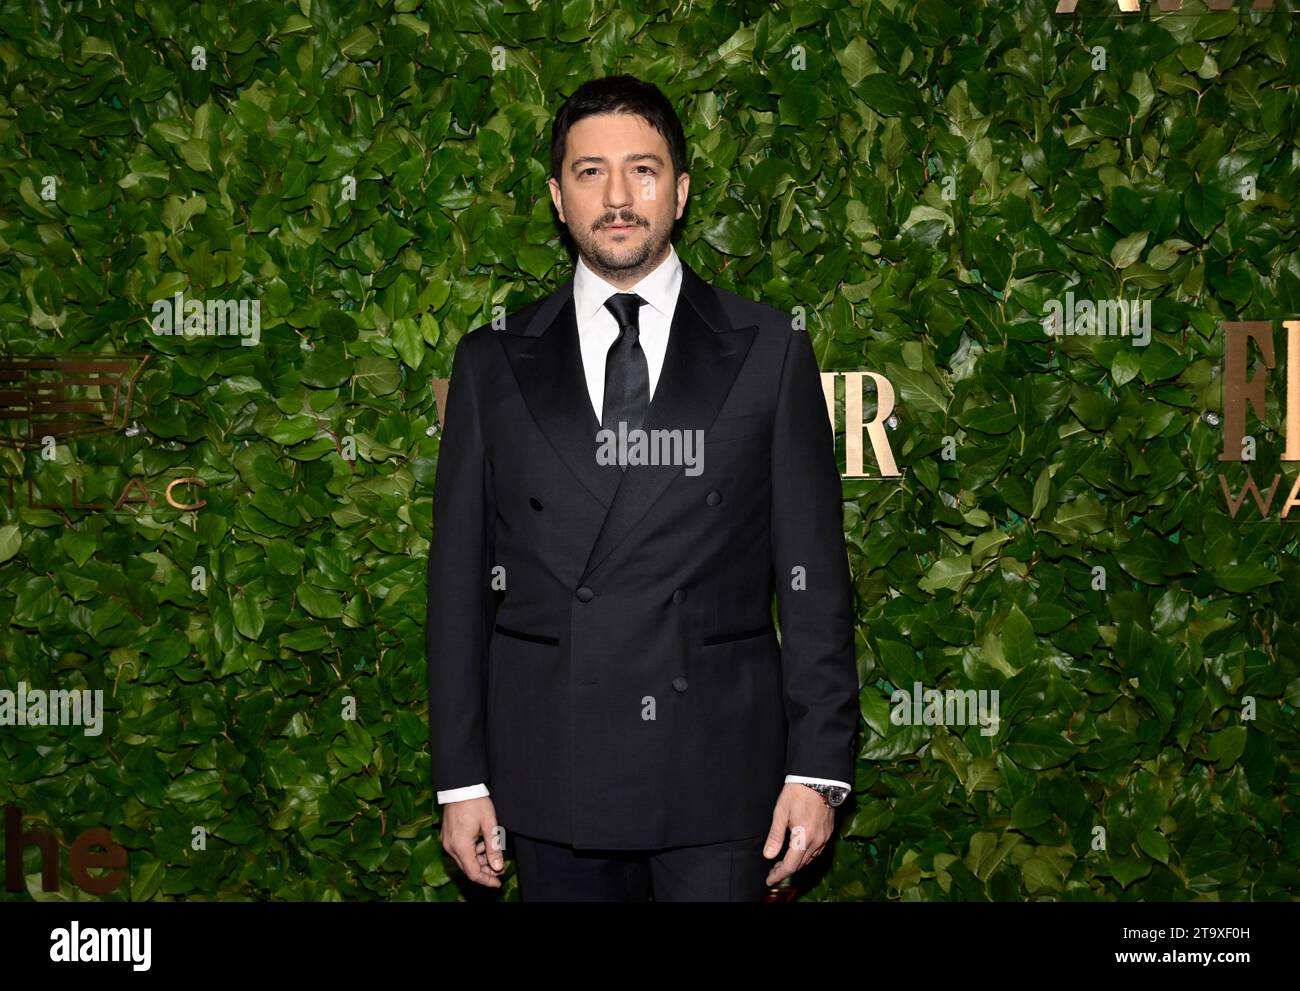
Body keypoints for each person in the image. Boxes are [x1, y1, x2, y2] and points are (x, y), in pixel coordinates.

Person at [427, 74, 858, 901]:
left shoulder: (769, 348)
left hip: (722, 777)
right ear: (558, 197)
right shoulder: (491, 361)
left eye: (643, 170)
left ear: (682, 190)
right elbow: (456, 589)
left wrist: (818, 765)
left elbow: (814, 579)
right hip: (550, 775)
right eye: (590, 172)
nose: (617, 196)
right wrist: (460, 778)